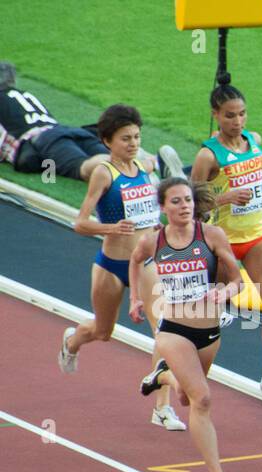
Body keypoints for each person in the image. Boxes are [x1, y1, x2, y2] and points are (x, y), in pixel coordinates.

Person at [129, 178, 243, 472]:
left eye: (188, 201)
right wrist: (135, 298)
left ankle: (162, 375)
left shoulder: (212, 236)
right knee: (203, 399)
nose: (184, 207)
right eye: (176, 202)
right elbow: (135, 261)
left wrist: (226, 291)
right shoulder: (154, 242)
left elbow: (237, 280)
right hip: (174, 331)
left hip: (208, 332)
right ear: (163, 207)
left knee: (186, 399)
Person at [189, 77, 262, 410]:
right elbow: (190, 202)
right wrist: (224, 196)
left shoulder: (254, 141)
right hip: (223, 241)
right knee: (208, 313)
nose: (238, 122)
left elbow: (254, 180)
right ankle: (192, 375)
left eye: (243, 114)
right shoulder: (207, 155)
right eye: (230, 115)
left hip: (258, 234)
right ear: (216, 114)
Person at [60, 105, 161, 375]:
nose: (133, 144)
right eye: (125, 139)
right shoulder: (104, 173)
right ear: (107, 141)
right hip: (111, 266)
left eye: (137, 137)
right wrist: (111, 228)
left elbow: (150, 213)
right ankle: (72, 341)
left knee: (162, 328)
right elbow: (80, 224)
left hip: (145, 263)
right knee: (103, 331)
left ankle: (162, 407)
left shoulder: (144, 166)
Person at [0, 63, 169, 182]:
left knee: (85, 168)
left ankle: (143, 166)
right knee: (107, 154)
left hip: (46, 141)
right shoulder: (22, 94)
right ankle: (155, 161)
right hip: (68, 131)